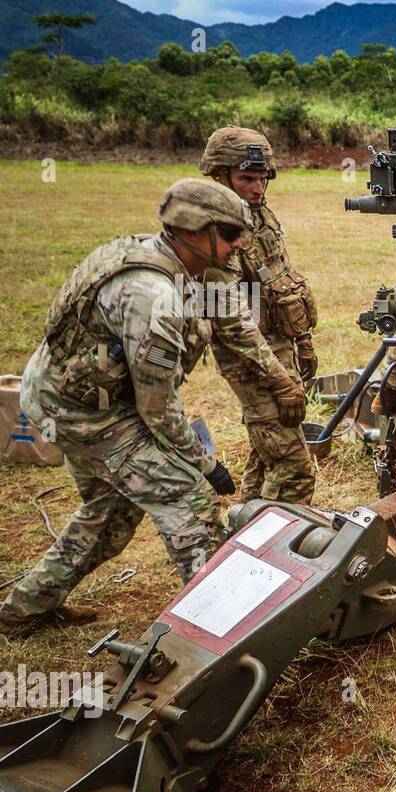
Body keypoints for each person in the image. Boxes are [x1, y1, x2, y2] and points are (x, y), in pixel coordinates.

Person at [0, 179, 246, 633]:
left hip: (66, 397)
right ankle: (224, 631)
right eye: (229, 233)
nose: (238, 244)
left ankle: (24, 609)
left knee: (111, 513)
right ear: (193, 231)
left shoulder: (147, 256)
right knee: (188, 500)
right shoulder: (153, 298)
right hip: (84, 415)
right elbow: (157, 408)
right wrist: (205, 464)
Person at [199, 126, 317, 504]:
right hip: (248, 356)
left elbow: (280, 277)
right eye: (246, 178)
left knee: (270, 449)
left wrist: (302, 340)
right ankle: (275, 553)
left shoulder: (257, 212)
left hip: (278, 342)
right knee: (293, 470)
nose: (257, 187)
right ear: (220, 176)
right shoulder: (212, 232)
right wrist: (281, 382)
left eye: (262, 178)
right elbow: (230, 324)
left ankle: (243, 530)